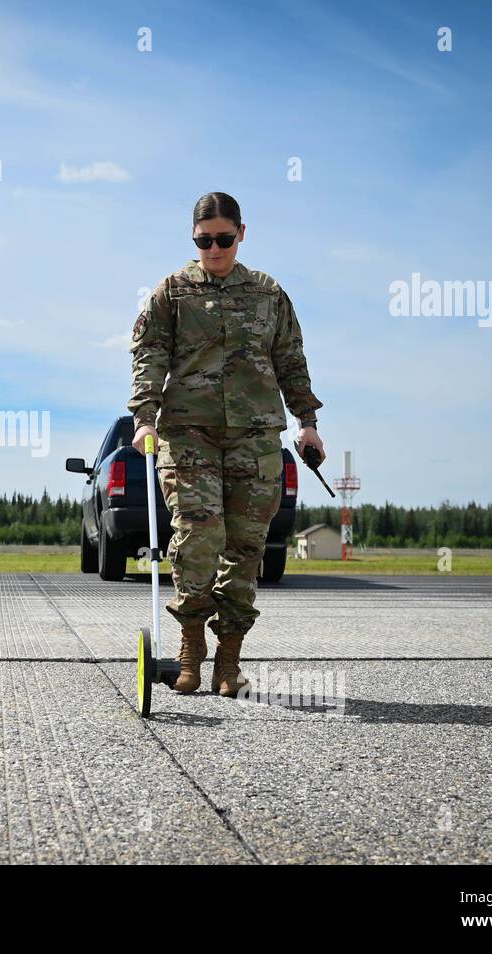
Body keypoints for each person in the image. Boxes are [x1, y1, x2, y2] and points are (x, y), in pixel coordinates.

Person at [128, 191, 325, 696]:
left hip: (255, 434)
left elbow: (290, 357)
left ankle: (228, 659)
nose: (213, 249)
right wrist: (145, 418)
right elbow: (149, 354)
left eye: (223, 238)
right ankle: (191, 648)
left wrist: (307, 422)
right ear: (193, 238)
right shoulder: (171, 292)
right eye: (203, 240)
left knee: (244, 547)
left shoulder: (268, 293)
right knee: (199, 535)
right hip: (187, 430)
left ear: (241, 233)